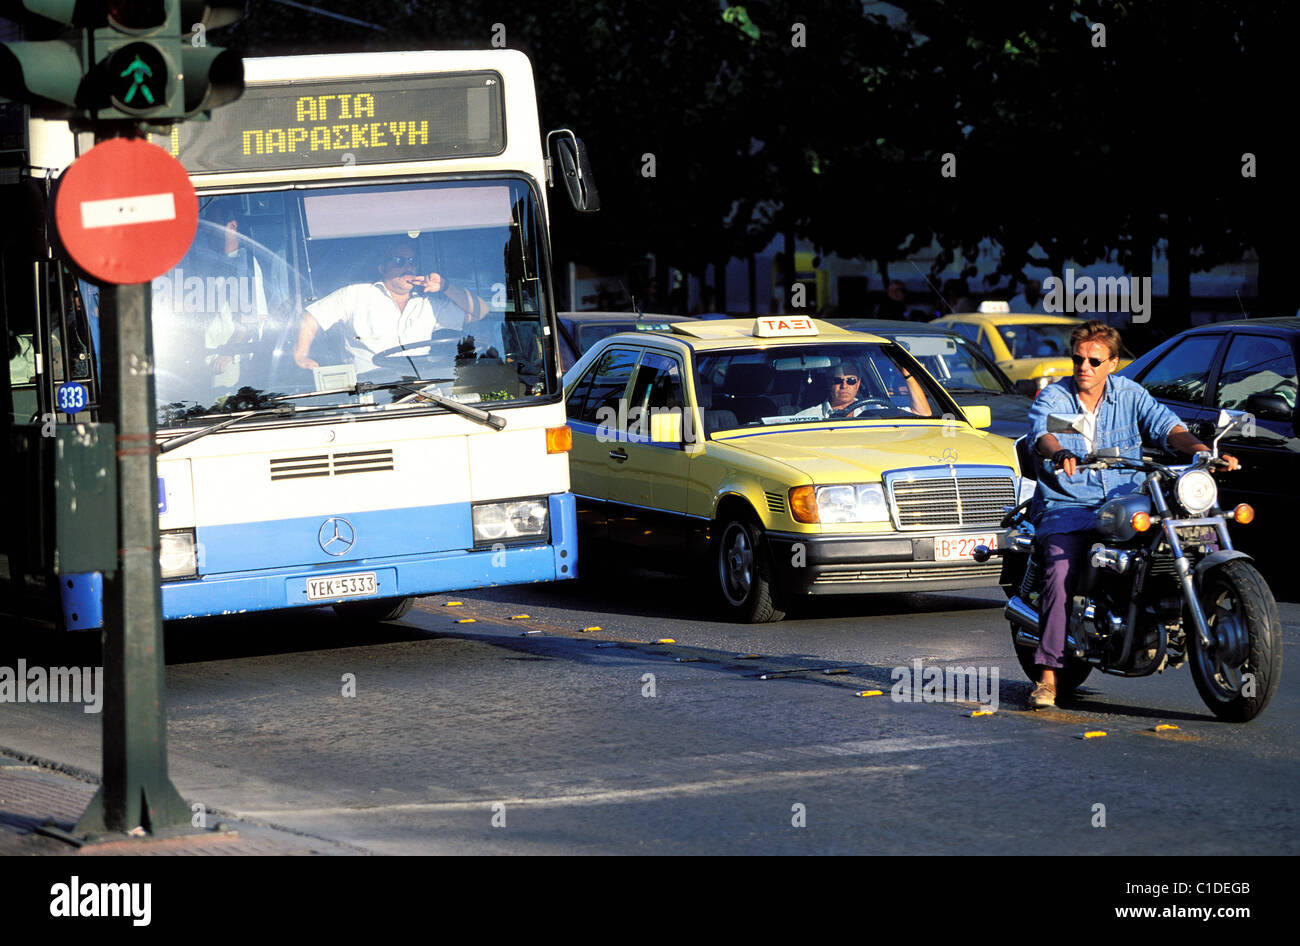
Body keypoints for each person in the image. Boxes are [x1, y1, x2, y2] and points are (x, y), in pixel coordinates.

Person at [1025, 319, 1239, 708]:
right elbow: (1043, 434)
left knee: (1171, 529)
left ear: (1113, 363)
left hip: (1124, 499)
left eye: (1093, 360)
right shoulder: (1055, 398)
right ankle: (1048, 676)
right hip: (1068, 503)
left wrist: (1202, 453)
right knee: (1059, 572)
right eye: (1078, 359)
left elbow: (1167, 427)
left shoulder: (1130, 394)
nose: (1084, 368)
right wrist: (1059, 452)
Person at [293, 239, 490, 377]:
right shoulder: (356, 294)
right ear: (382, 268)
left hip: (421, 392)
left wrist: (446, 286)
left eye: (412, 262)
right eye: (399, 261)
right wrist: (301, 355)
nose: (408, 266)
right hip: (370, 392)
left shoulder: (428, 305)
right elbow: (312, 317)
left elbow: (480, 311)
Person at [792, 357, 929, 419]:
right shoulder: (808, 416)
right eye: (838, 380)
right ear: (829, 383)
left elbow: (922, 413)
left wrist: (908, 376)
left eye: (851, 381)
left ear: (858, 383)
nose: (844, 386)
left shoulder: (876, 410)